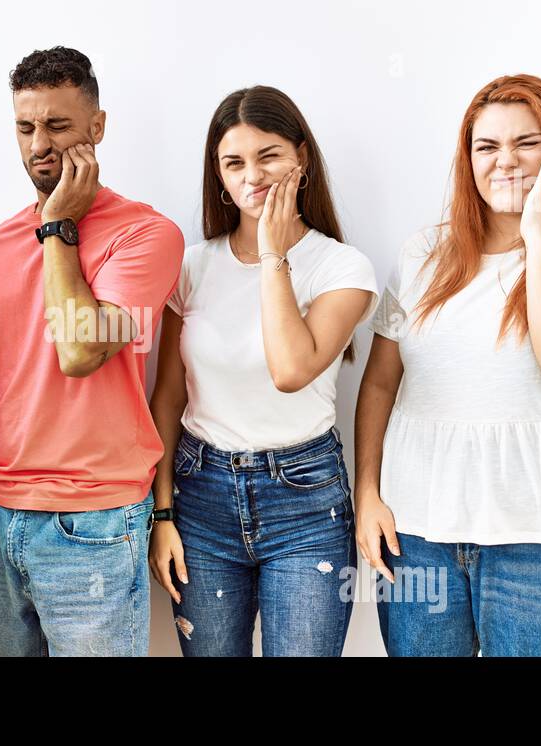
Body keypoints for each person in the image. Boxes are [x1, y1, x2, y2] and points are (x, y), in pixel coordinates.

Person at [355, 74, 541, 656]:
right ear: (468, 160)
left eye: (526, 143)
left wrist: (537, 235)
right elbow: (382, 382)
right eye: (487, 147)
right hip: (418, 532)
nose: (505, 161)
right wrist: (367, 491)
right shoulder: (422, 254)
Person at [0, 46, 184, 656]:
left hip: (95, 523)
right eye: (25, 127)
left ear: (98, 127)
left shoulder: (147, 234)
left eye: (58, 126)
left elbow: (81, 349)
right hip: (3, 514)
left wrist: (59, 226)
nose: (39, 145)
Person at [148, 85, 377, 656]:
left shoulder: (342, 267)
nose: (252, 175)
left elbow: (291, 369)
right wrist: (162, 512)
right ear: (220, 177)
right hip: (199, 499)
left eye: (268, 155)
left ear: (302, 159)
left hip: (303, 501)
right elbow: (168, 397)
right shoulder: (193, 266)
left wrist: (275, 255)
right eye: (234, 162)